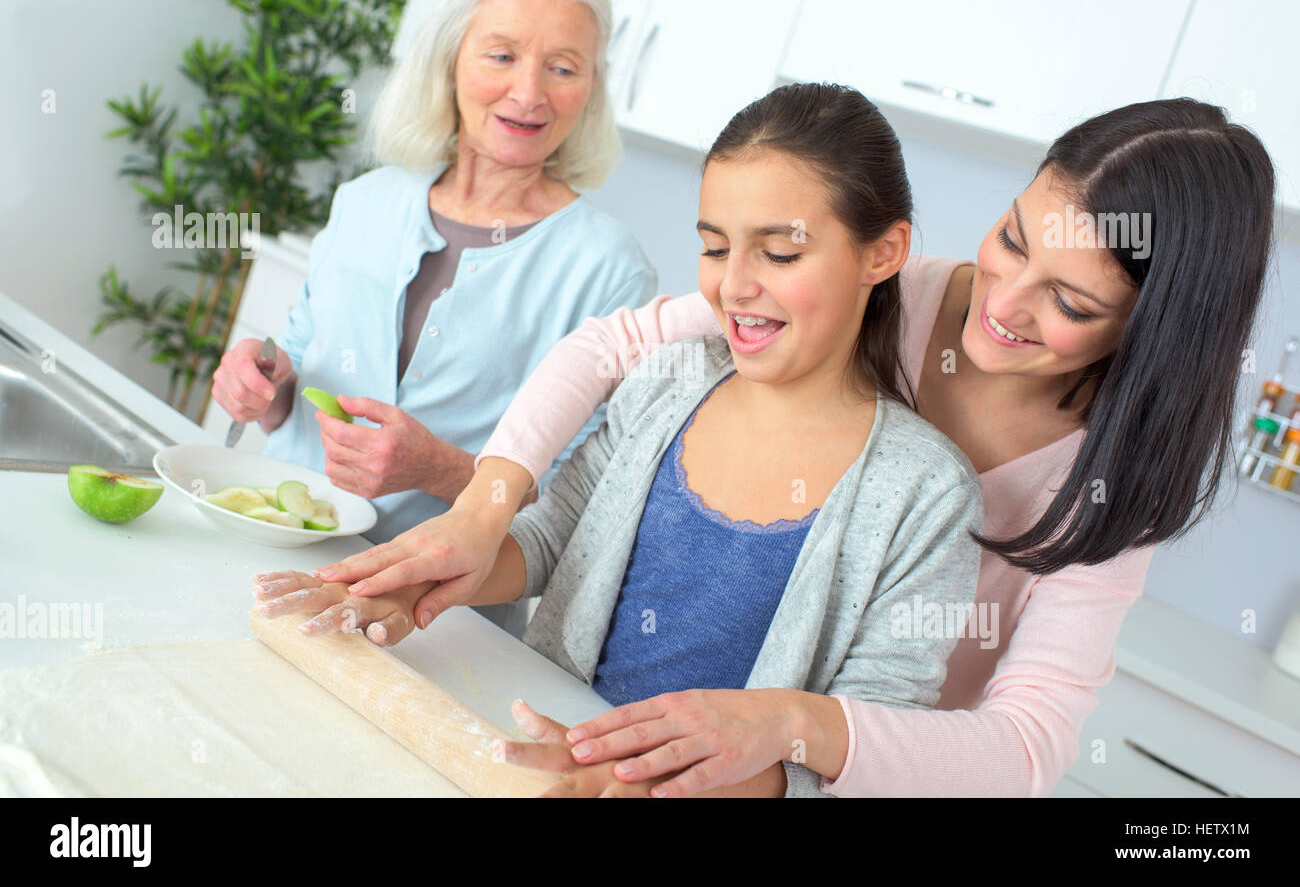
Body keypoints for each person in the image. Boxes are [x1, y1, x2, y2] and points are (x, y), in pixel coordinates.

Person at [292, 94, 1276, 797]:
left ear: (1152, 329)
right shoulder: (871, 293)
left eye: (1068, 301)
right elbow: (618, 355)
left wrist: (783, 731)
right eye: (1012, 239)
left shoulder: (1099, 490)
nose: (1004, 306)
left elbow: (1019, 747)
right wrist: (477, 512)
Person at [254, 82, 984, 797]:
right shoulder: (671, 381)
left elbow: (866, 750)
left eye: (780, 254)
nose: (733, 287)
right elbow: (549, 538)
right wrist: (422, 578)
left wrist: (660, 779)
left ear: (883, 252)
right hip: (545, 757)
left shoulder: (927, 491)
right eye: (714, 247)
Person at [210, 0, 656, 560]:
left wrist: (437, 470)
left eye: (562, 67)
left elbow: (575, 502)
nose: (528, 93)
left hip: (437, 614)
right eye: (501, 55)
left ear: (591, 88)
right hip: (276, 549)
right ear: (450, 59)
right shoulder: (365, 201)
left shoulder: (608, 270)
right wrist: (263, 381)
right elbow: (298, 371)